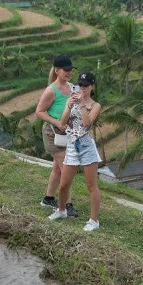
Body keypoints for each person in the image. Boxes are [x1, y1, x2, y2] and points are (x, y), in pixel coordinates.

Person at [49, 72, 102, 231]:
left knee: (91, 185)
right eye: (80, 85)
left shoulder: (95, 105)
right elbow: (63, 123)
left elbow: (86, 123)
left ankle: (94, 220)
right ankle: (61, 210)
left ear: (92, 87)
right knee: (64, 184)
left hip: (86, 146)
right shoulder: (71, 100)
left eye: (86, 86)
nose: (82, 88)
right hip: (72, 145)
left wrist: (80, 105)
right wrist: (69, 106)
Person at [34, 54, 78, 217]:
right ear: (57, 71)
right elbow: (39, 112)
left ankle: (48, 198)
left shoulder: (72, 87)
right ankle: (68, 204)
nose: (69, 73)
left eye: (70, 70)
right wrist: (57, 122)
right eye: (66, 70)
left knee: (58, 169)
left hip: (67, 133)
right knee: (67, 167)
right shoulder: (51, 90)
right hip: (53, 134)